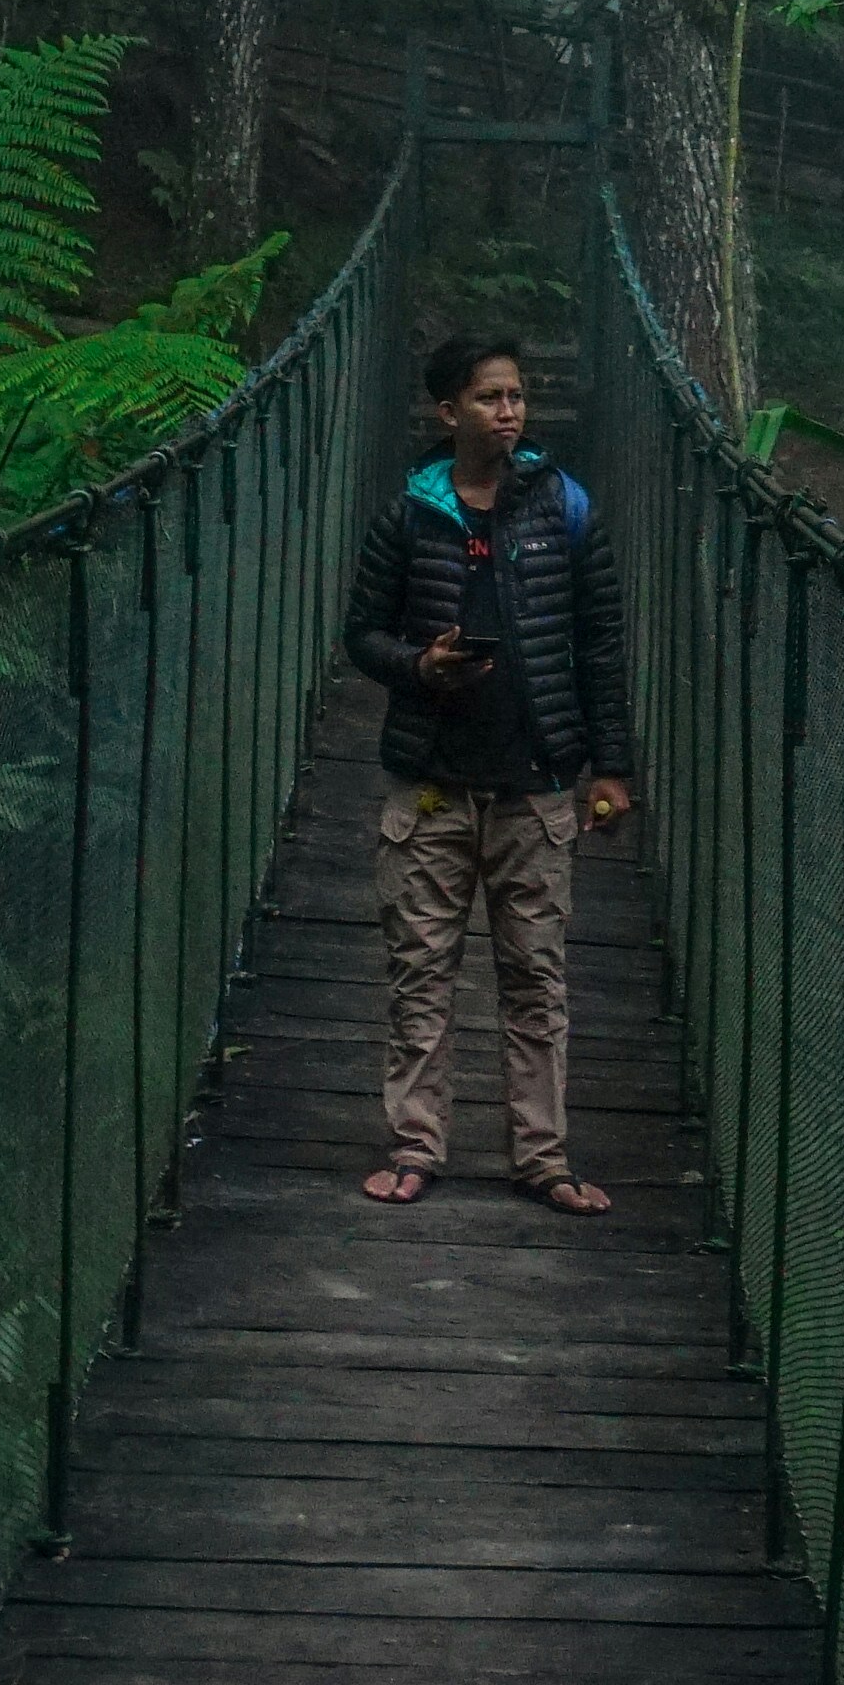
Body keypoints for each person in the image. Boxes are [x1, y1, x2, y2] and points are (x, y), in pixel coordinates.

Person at [338, 334, 633, 1211]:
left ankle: (542, 1158)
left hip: (535, 783)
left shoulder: (567, 509)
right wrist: (419, 667)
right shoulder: (408, 514)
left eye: (516, 396)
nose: (508, 411)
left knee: (536, 978)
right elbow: (361, 635)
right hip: (429, 779)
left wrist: (609, 767)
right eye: (489, 398)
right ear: (448, 413)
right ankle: (416, 1147)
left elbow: (601, 646)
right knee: (420, 970)